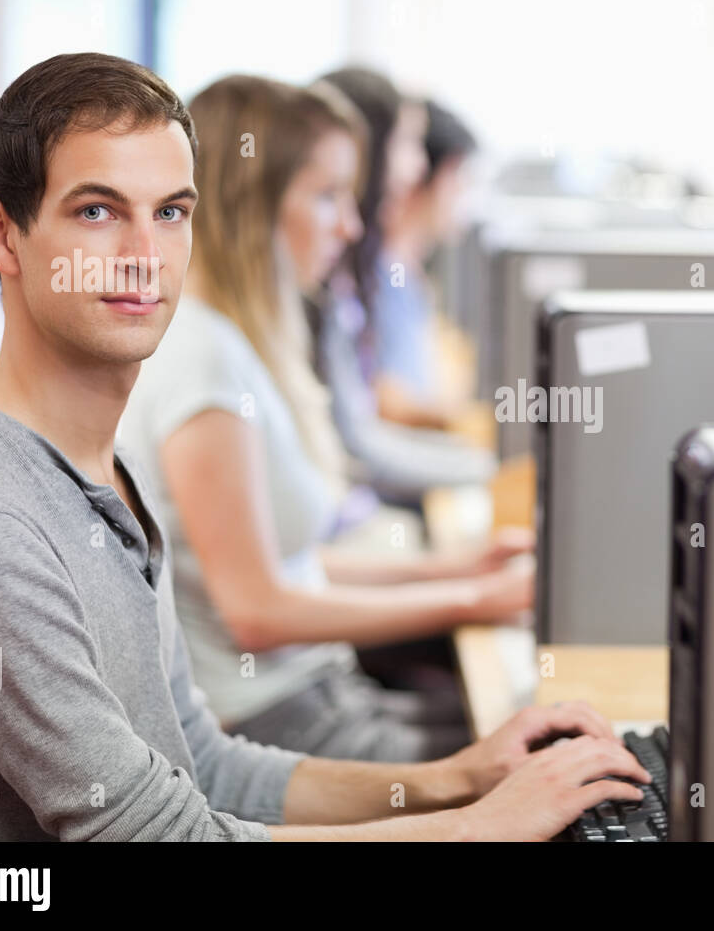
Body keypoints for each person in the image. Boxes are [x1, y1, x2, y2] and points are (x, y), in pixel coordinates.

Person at [0, 52, 648, 841]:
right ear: (0, 235)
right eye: (96, 211)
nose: (144, 255)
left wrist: (459, 781)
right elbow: (158, 838)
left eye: (170, 213)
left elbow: (203, 767)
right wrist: (476, 828)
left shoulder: (105, 473)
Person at [121, 74, 531, 763]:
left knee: (551, 736)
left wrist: (458, 570)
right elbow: (260, 611)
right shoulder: (203, 360)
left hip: (315, 693)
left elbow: (297, 567)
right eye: (327, 196)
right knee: (551, 764)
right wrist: (470, 599)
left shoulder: (236, 341)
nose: (353, 224)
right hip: (273, 724)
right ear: (253, 205)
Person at [312, 67, 494, 503]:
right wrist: (487, 463)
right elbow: (366, 429)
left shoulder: (368, 278)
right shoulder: (334, 289)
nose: (416, 166)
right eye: (405, 143)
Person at [373, 99, 480, 414]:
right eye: (460, 176)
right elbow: (387, 401)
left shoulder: (408, 276)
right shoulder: (382, 278)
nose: (464, 194)